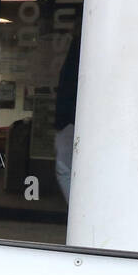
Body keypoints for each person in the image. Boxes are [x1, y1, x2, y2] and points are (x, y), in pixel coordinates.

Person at [54, 35, 82, 202]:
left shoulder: (76, 51)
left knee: (64, 168)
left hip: (69, 119)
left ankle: (77, 206)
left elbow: (67, 87)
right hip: (71, 119)